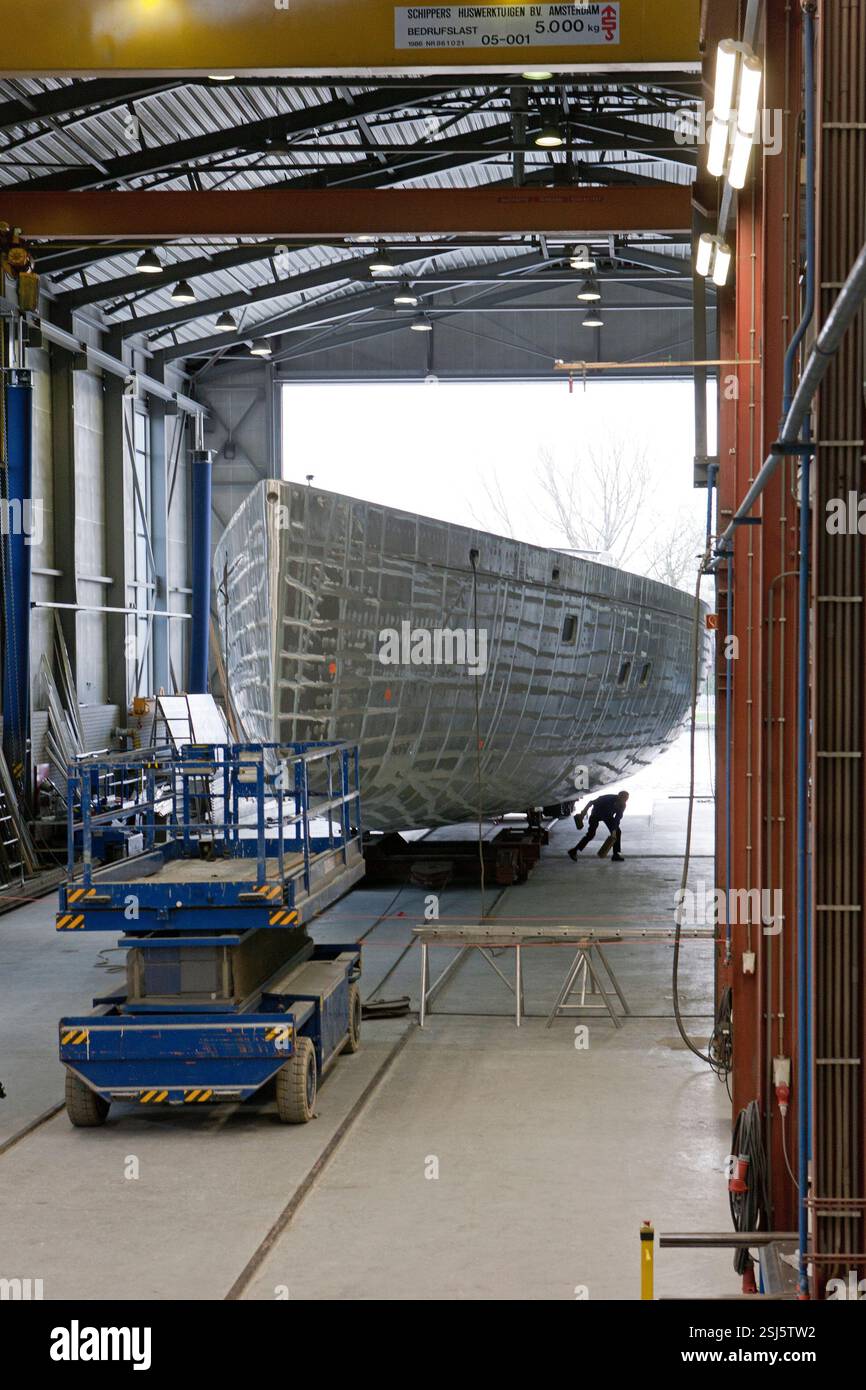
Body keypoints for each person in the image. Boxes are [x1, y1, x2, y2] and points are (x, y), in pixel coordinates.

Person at [567, 790, 629, 862]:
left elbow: (618, 818)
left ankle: (616, 855)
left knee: (617, 832)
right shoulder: (607, 798)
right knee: (591, 834)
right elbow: (591, 802)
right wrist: (583, 813)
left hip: (608, 816)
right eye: (623, 799)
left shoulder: (623, 805)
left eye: (626, 799)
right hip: (596, 814)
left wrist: (614, 830)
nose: (624, 801)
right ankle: (574, 851)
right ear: (618, 797)